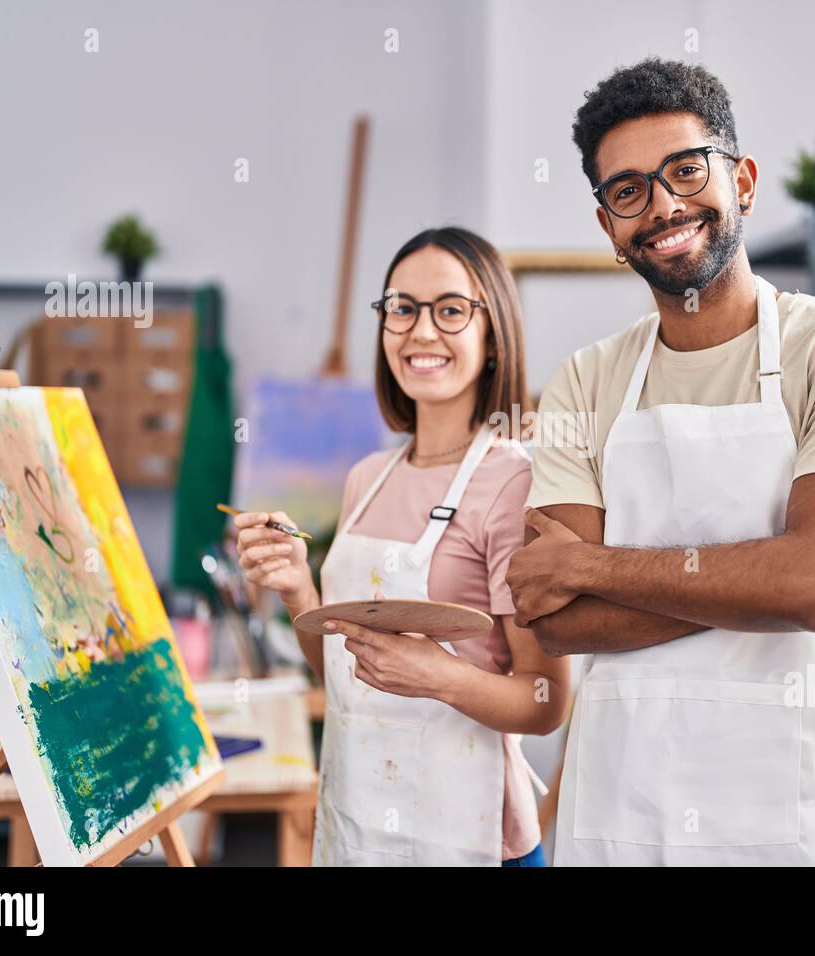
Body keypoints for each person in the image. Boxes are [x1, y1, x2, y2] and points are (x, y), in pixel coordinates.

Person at [507, 58, 815, 866]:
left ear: (744, 181)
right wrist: (782, 581)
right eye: (628, 191)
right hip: (618, 806)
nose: (663, 206)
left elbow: (810, 587)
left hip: (787, 816)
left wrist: (592, 563)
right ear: (609, 228)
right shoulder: (585, 380)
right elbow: (558, 621)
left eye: (686, 170)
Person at [236, 227, 568, 866]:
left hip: (471, 840)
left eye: (449, 310)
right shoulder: (367, 476)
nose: (419, 332)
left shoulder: (514, 482)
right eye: (401, 308)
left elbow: (547, 700)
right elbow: (342, 674)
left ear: (492, 333)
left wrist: (442, 678)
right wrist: (297, 590)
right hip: (361, 826)